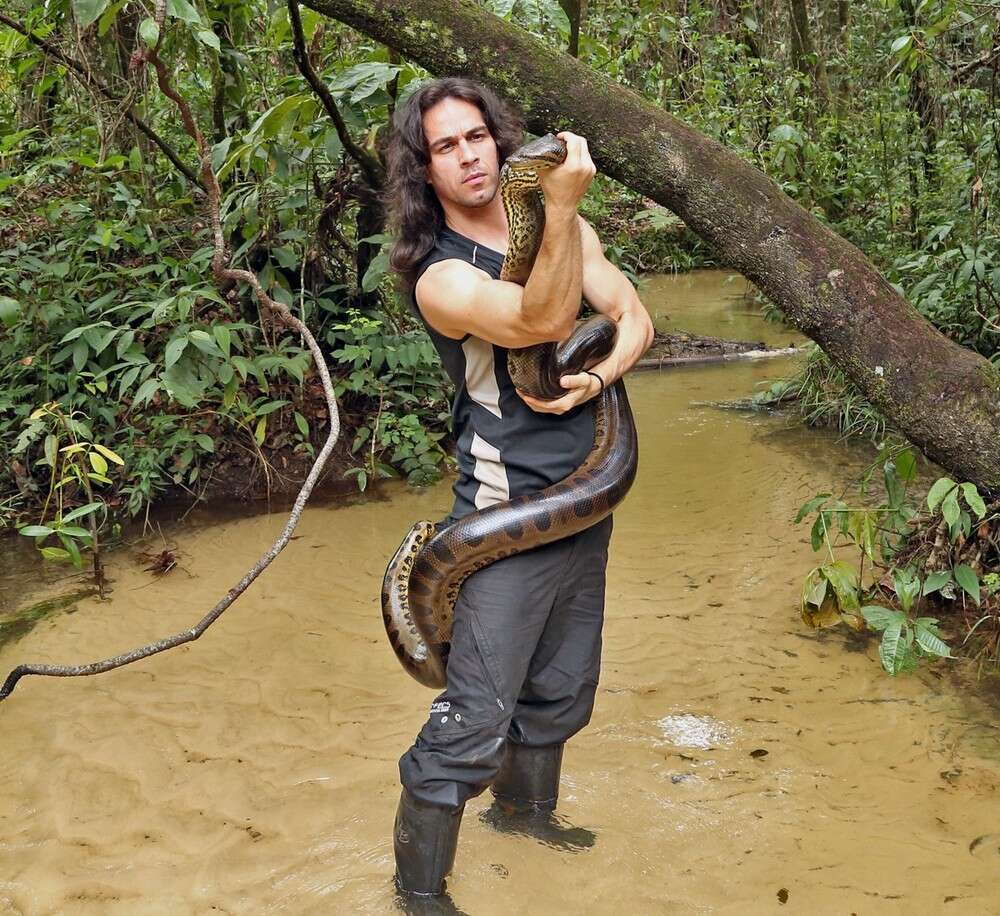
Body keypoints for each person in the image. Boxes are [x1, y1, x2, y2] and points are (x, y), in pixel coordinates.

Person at [383, 77, 653, 898]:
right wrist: (562, 211)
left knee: (560, 694)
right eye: (444, 147)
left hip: (586, 507)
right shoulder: (440, 276)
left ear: (501, 143)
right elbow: (539, 321)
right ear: (424, 170)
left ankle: (525, 825)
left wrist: (599, 373)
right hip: (503, 522)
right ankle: (417, 898)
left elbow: (633, 314)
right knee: (469, 723)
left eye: (476, 137)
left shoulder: (564, 230)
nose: (466, 156)